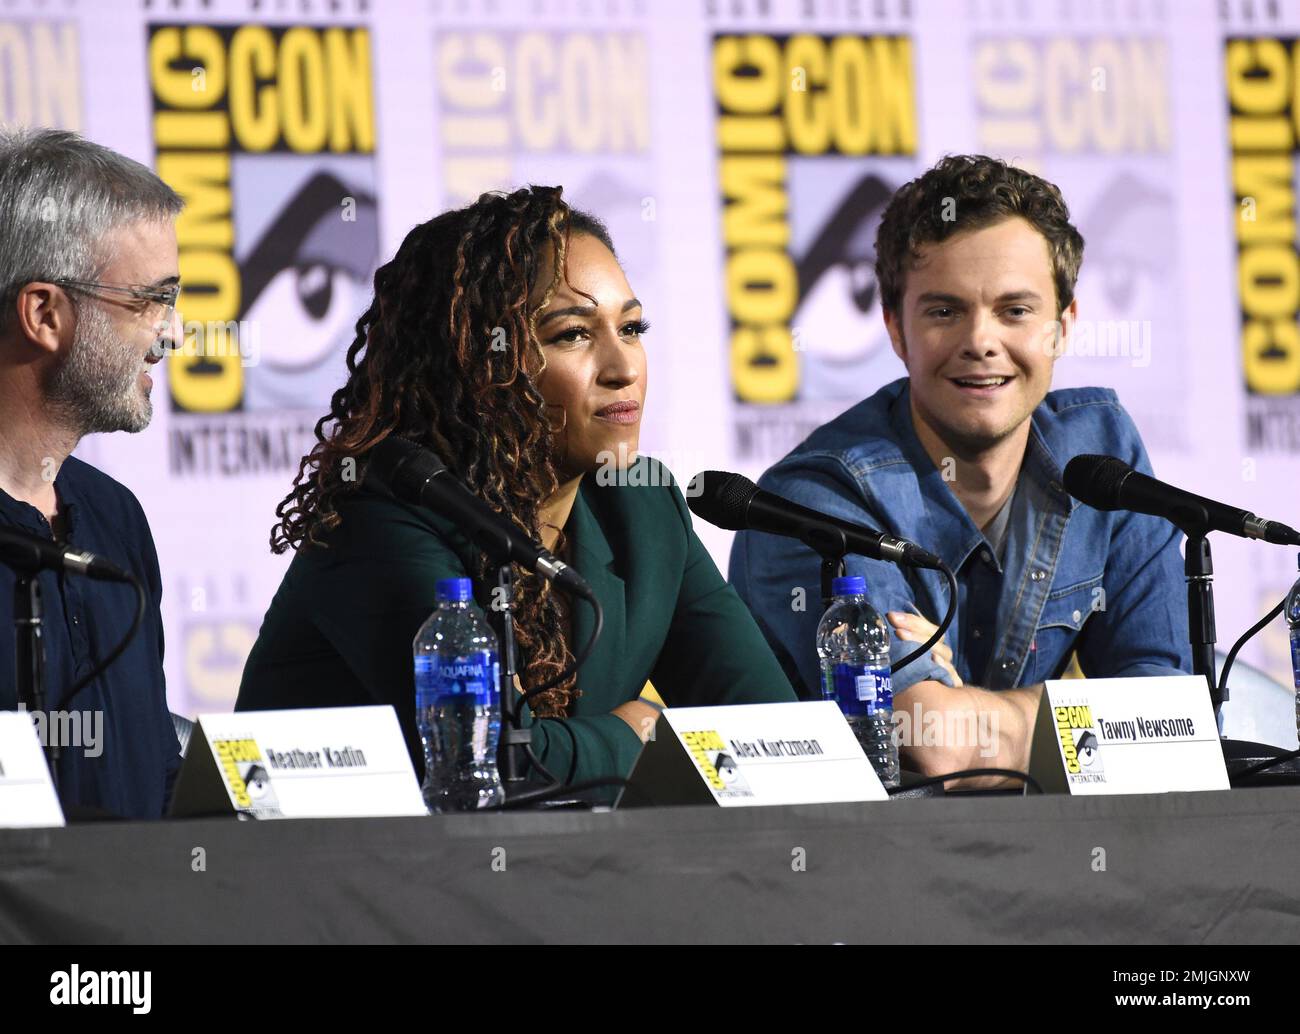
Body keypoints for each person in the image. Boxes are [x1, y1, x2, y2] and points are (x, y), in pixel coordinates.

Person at [236, 186, 796, 788]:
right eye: (572, 335)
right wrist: (637, 739)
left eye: (632, 328)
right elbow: (488, 762)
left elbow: (771, 732)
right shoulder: (384, 515)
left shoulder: (642, 504)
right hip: (329, 867)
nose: (624, 367)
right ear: (478, 361)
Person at [731, 155, 1190, 786]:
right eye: (945, 311)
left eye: (1015, 310)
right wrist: (1095, 722)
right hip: (857, 866)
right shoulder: (813, 501)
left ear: (1063, 328)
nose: (981, 340)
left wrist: (965, 706)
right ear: (896, 328)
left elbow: (1173, 721)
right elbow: (927, 745)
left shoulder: (1103, 455)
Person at [0, 127, 184, 818]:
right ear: (45, 312)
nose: (173, 333)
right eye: (149, 300)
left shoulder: (115, 516)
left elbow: (154, 773)